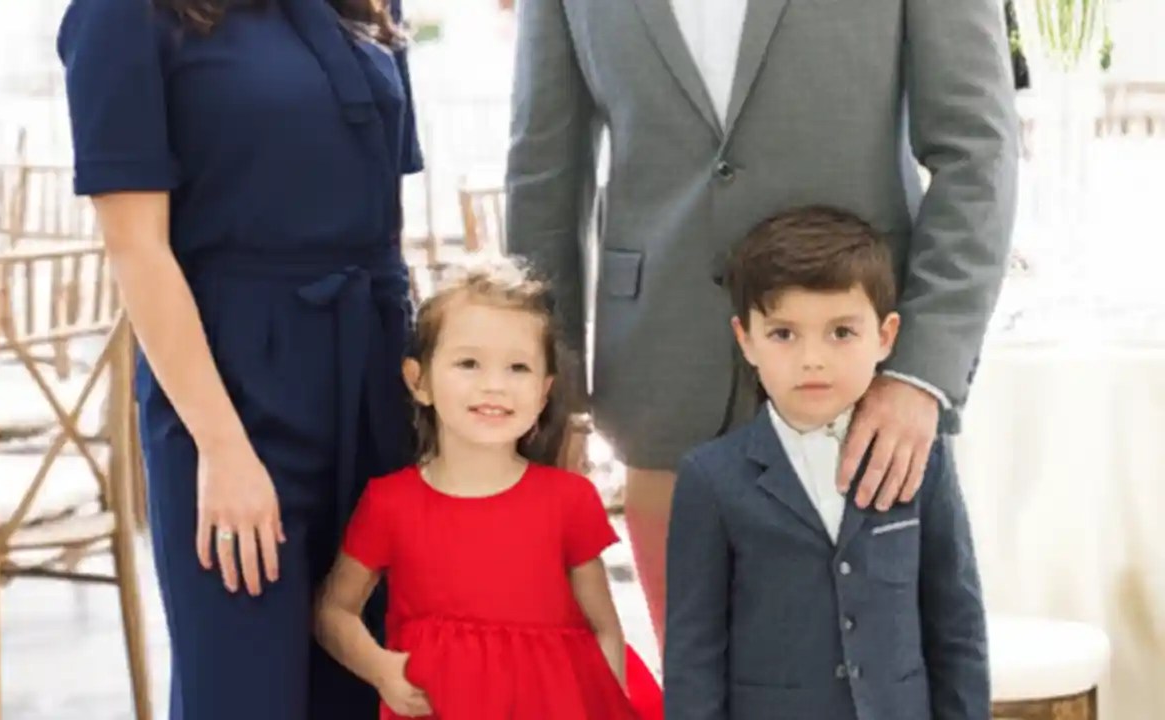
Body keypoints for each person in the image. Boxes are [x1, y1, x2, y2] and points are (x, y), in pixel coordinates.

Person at [505, 0, 1018, 648]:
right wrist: (552, 394)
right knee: (697, 682)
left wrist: (921, 373)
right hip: (664, 371)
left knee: (874, 681)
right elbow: (544, 175)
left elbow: (978, 152)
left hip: (861, 387)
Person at [57, 0, 423, 716]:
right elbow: (137, 249)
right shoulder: (123, 14)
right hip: (233, 381)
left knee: (380, 678)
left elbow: (389, 216)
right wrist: (222, 449)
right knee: (244, 687)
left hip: (375, 369)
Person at [664, 206, 988, 720]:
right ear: (745, 339)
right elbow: (693, 654)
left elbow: (957, 624)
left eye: (841, 332)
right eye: (783, 334)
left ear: (885, 336)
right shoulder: (710, 478)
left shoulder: (921, 455)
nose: (812, 359)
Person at [313, 260, 662, 719]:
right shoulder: (389, 503)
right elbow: (334, 611)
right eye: (469, 363)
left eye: (518, 367)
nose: (494, 385)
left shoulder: (568, 500)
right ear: (419, 381)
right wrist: (380, 668)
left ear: (544, 392)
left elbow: (605, 630)